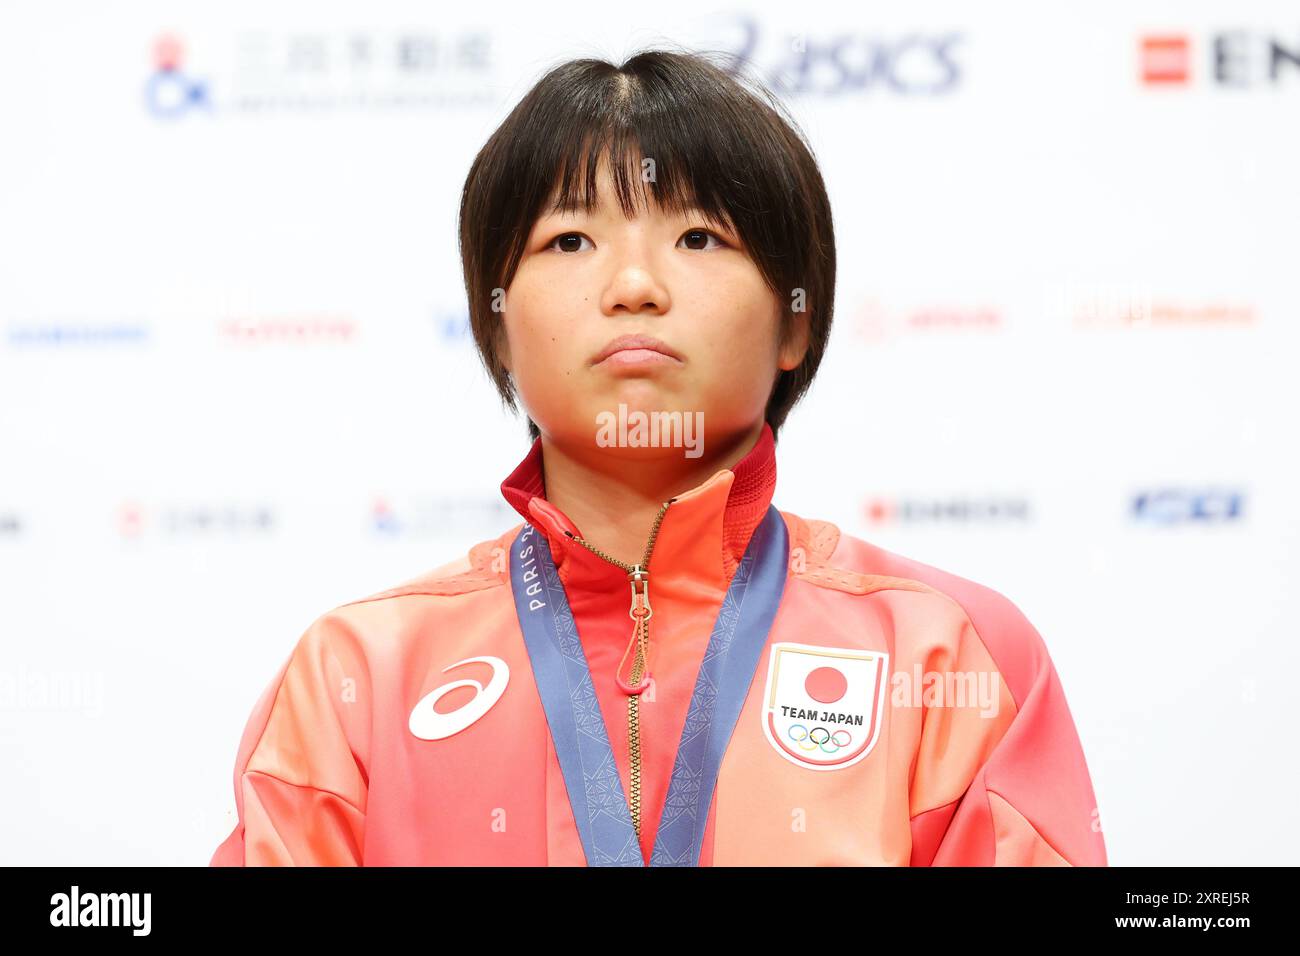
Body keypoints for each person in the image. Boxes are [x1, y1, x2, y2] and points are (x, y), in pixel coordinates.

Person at [210, 48, 1106, 867]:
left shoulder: (948, 657)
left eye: (698, 238)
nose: (634, 285)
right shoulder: (357, 674)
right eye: (569, 240)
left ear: (796, 318)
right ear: (497, 323)